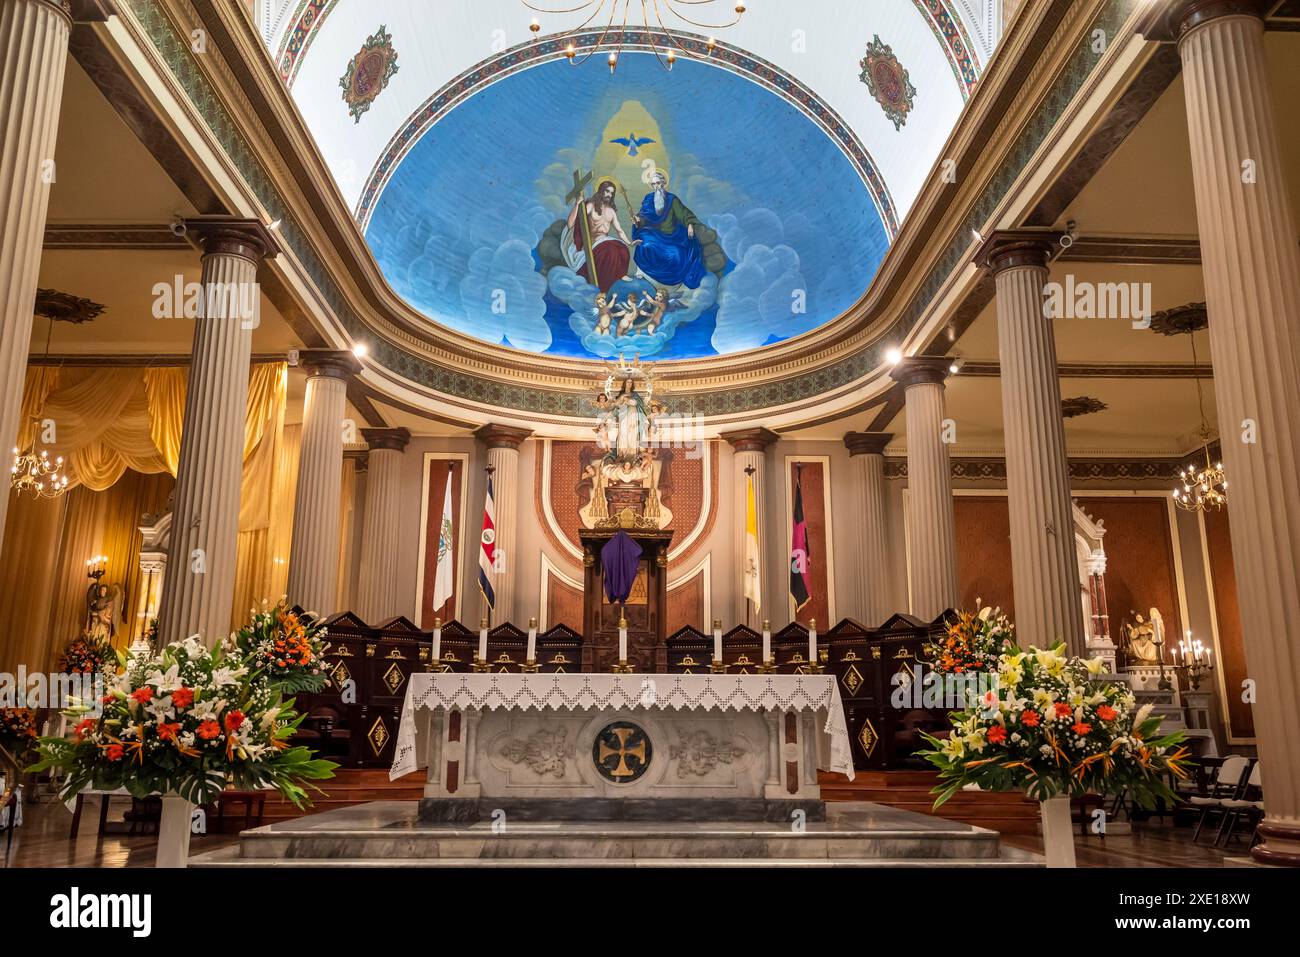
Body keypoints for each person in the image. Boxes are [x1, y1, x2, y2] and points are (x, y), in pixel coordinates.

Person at [631, 169, 707, 289]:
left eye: (658, 183)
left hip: (672, 235)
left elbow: (683, 214)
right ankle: (642, 273)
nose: (656, 186)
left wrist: (690, 225)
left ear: (663, 183)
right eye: (653, 184)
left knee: (675, 254)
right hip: (654, 233)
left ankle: (670, 286)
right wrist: (638, 220)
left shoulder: (672, 199)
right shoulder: (648, 199)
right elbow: (644, 216)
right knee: (645, 244)